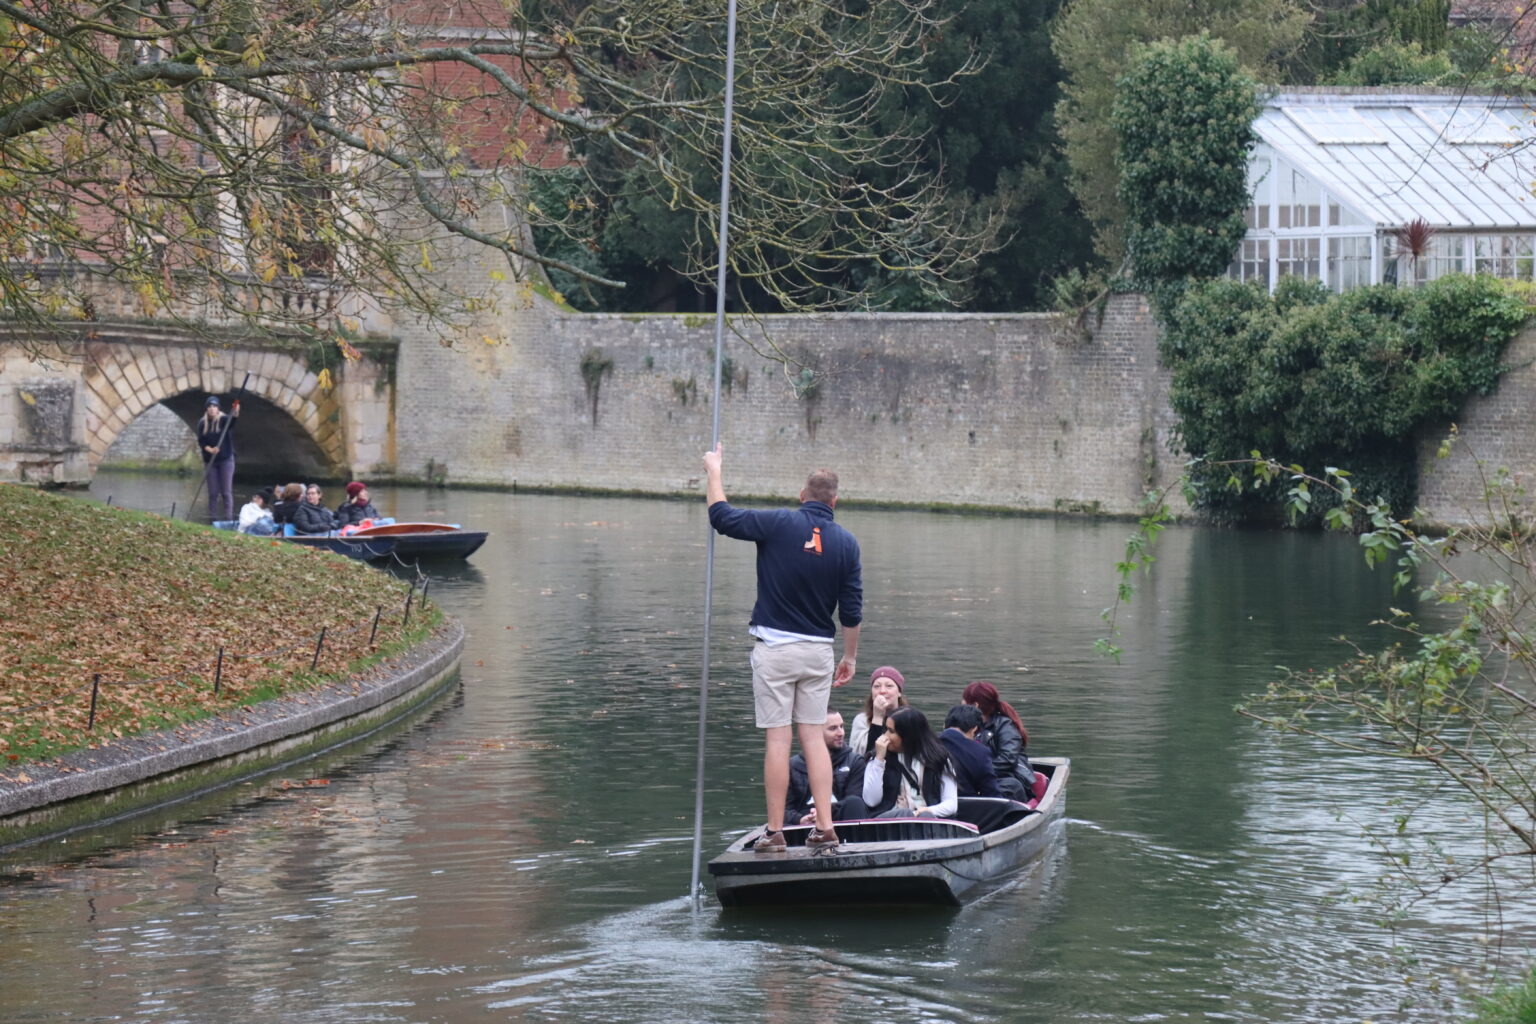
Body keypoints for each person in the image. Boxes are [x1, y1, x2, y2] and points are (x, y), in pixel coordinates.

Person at [704, 443, 862, 855]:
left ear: (801, 497)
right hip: (817, 653)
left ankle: (774, 833)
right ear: (835, 502)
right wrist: (850, 658)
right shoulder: (847, 544)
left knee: (779, 740)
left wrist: (714, 470)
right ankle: (826, 828)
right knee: (813, 738)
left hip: (775, 650)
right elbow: (851, 610)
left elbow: (721, 517)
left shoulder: (777, 523)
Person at [860, 707, 958, 819]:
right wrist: (879, 760)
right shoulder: (877, 758)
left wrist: (927, 810)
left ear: (908, 735)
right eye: (886, 729)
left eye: (891, 731)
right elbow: (871, 801)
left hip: (927, 820)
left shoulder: (938, 759)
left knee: (925, 816)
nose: (885, 736)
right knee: (905, 814)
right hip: (889, 821)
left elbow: (951, 804)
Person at [785, 711, 867, 824]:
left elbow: (854, 802)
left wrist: (823, 812)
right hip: (805, 818)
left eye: (841, 726)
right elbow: (784, 808)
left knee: (855, 803)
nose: (841, 733)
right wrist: (799, 819)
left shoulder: (855, 762)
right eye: (833, 728)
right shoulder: (793, 766)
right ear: (816, 732)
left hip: (839, 817)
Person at [962, 680, 1034, 802]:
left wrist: (978, 773)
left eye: (964, 700)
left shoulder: (1005, 726)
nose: (961, 703)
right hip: (979, 778)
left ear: (975, 705)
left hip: (1006, 777)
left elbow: (1007, 759)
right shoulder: (968, 726)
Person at [940, 704, 1003, 798]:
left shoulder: (928, 744)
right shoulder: (980, 752)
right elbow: (991, 793)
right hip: (968, 808)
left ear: (945, 725)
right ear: (974, 729)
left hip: (930, 806)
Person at [847, 666, 910, 759]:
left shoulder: (910, 718)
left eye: (889, 686)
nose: (882, 691)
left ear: (899, 692)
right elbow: (861, 755)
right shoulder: (861, 720)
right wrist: (877, 717)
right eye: (877, 686)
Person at [195, 395, 240, 520]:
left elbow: (232, 422)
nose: (212, 409)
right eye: (209, 406)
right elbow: (201, 441)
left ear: (218, 409)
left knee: (226, 492)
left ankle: (229, 519)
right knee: (213, 493)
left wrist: (235, 411)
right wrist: (210, 449)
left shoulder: (223, 420)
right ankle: (212, 519)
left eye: (214, 406)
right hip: (211, 461)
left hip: (226, 460)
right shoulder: (202, 423)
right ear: (206, 409)